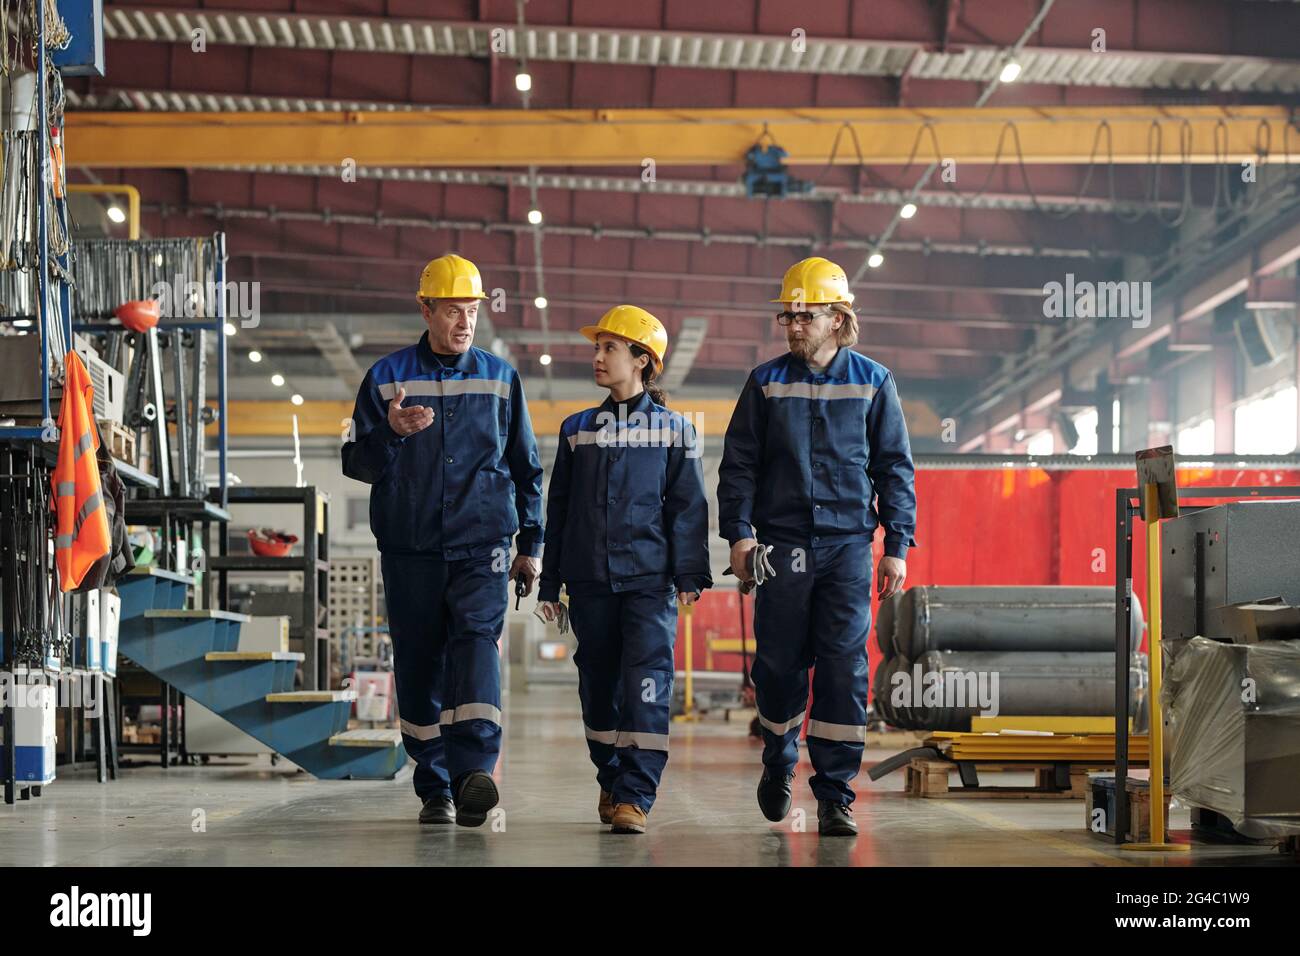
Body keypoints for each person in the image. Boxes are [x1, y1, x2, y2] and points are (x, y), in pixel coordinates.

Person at [342, 253, 544, 827]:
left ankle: (475, 769)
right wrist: (390, 433)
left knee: (477, 644)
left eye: (472, 311)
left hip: (483, 545)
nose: (464, 322)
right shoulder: (386, 379)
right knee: (419, 661)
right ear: (425, 309)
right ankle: (435, 783)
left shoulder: (501, 378)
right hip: (410, 550)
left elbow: (526, 467)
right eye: (453, 310)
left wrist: (531, 544)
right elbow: (355, 463)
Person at [717, 256, 917, 837]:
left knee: (843, 669)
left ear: (838, 318)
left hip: (849, 549)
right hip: (779, 548)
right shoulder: (766, 382)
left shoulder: (874, 382)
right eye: (788, 316)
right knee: (779, 665)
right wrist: (740, 533)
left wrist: (897, 544)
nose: (793, 325)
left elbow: (894, 468)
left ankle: (834, 793)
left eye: (805, 316)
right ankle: (779, 759)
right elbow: (739, 466)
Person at [537, 305, 712, 834]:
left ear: (642, 360)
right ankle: (610, 776)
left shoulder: (675, 432)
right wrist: (550, 581)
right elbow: (560, 510)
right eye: (597, 347)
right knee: (598, 690)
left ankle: (636, 795)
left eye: (609, 348)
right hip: (590, 584)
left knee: (647, 687)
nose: (597, 356)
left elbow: (688, 506)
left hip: (648, 585)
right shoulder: (576, 431)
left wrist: (689, 574)